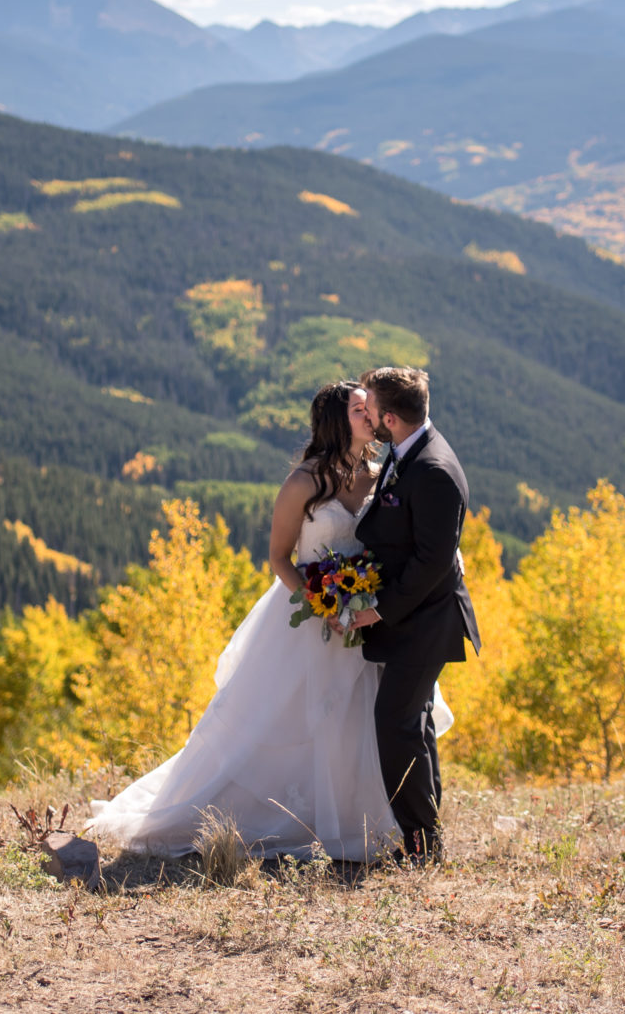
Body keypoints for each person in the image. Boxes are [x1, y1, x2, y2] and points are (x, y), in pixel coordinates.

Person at [85, 381, 450, 860]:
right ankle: (266, 817)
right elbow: (280, 558)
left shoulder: (382, 476)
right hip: (309, 619)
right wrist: (320, 604)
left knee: (363, 721)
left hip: (365, 620)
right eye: (360, 410)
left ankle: (363, 819)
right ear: (337, 421)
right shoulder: (303, 481)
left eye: (372, 409)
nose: (372, 417)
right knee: (283, 723)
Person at [351, 365, 481, 862]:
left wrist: (378, 611)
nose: (368, 418)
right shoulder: (409, 450)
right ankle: (425, 838)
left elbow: (432, 562)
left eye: (371, 410)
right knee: (414, 723)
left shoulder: (433, 469)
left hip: (427, 621)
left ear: (390, 418)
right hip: (417, 618)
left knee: (396, 722)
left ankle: (422, 842)